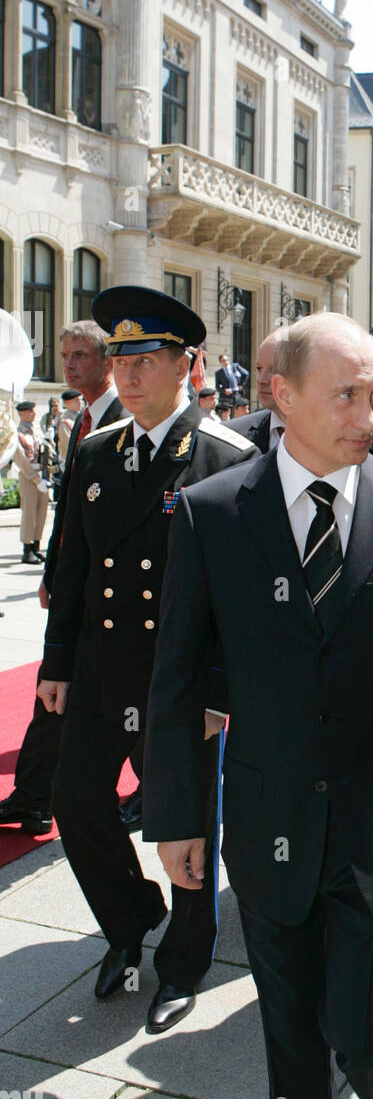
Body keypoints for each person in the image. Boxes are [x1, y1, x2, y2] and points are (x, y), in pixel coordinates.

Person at [143, 312, 373, 1099]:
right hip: (269, 827)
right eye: (345, 397)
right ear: (282, 395)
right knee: (292, 1043)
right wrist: (174, 817)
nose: (370, 419)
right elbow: (178, 680)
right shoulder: (213, 513)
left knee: (372, 1040)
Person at [36, 287, 259, 1034]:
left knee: (185, 824)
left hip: (182, 683)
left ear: (186, 366)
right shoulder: (96, 449)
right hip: (102, 669)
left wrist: (221, 690)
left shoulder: (226, 457)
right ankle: (130, 920)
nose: (127, 375)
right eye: (120, 358)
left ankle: (184, 964)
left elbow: (245, 598)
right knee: (76, 804)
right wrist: (57, 662)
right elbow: (74, 567)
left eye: (147, 360)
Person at [0, 323, 124, 838]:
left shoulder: (122, 418)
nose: (69, 365)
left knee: (80, 700)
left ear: (106, 361)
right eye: (64, 355)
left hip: (112, 595)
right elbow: (72, 513)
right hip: (78, 589)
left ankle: (42, 796)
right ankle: (33, 797)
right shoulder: (82, 419)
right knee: (54, 693)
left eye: (79, 356)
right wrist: (53, 573)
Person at [231, 328, 288, 453]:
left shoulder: (335, 436)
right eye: (259, 368)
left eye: (274, 370)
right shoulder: (232, 436)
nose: (261, 380)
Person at [12, 402, 50, 564]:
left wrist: (49, 440)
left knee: (41, 513)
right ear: (21, 413)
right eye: (30, 411)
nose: (34, 413)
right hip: (29, 477)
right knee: (29, 514)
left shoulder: (36, 431)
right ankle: (27, 550)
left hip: (42, 474)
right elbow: (20, 460)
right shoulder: (16, 433)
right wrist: (36, 479)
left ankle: (36, 547)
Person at [57, 391, 83, 464]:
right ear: (67, 403)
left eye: (81, 399)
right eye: (76, 400)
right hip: (71, 462)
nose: (80, 402)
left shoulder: (83, 417)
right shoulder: (65, 422)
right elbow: (69, 446)